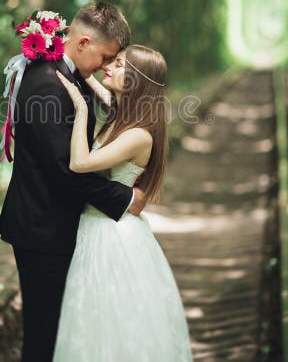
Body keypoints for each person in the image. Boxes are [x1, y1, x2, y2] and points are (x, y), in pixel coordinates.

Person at [0, 1, 147, 362]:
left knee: (62, 331)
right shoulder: (49, 85)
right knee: (44, 335)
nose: (107, 66)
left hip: (55, 224)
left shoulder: (65, 73)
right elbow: (65, 171)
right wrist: (124, 197)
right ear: (82, 43)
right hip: (43, 228)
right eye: (106, 57)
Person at [52, 44, 192, 361]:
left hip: (111, 235)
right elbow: (99, 86)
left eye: (118, 63)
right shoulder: (121, 117)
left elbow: (79, 163)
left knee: (110, 322)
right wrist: (62, 54)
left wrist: (82, 110)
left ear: (136, 80)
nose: (108, 67)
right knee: (90, 324)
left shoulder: (138, 134)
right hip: (98, 225)